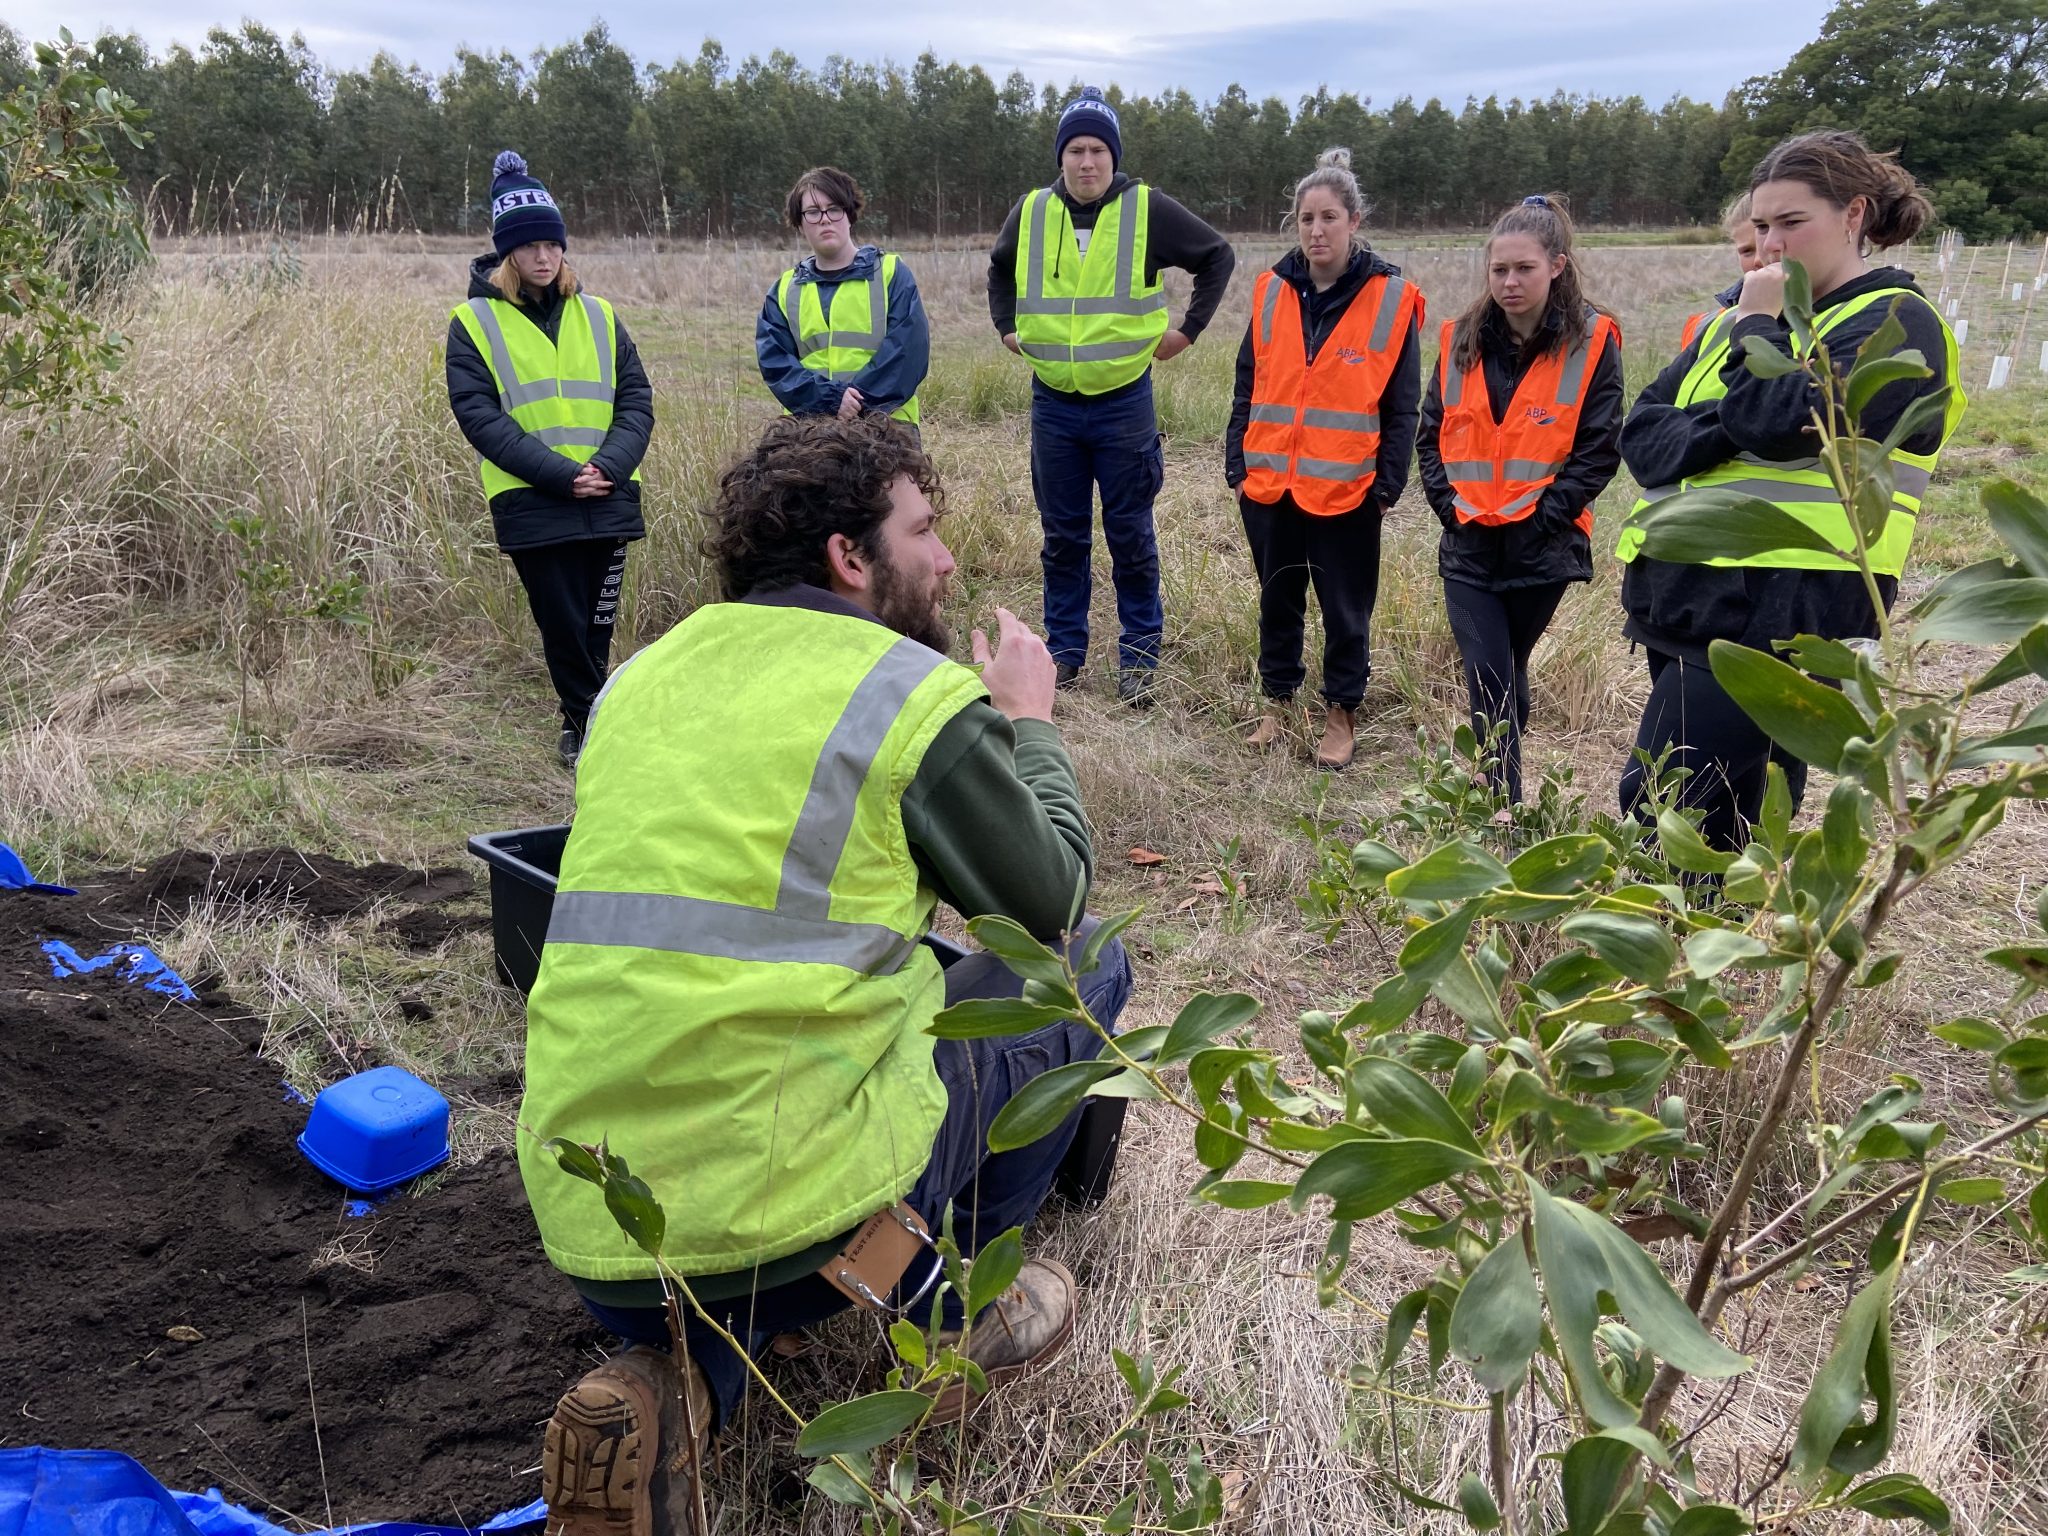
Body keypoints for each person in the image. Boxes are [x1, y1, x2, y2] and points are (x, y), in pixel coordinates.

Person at [517, 415, 1133, 1536]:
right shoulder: (901, 690)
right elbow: (1045, 901)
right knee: (1087, 966)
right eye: (923, 530)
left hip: (597, 1228)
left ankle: (669, 1382)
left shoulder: (637, 681)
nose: (944, 560)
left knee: (761, 1136)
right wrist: (1028, 724)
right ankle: (951, 1306)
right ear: (851, 558)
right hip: (796, 1222)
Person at [1616, 131, 1966, 849]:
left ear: (1854, 215)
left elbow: (1774, 422)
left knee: (1665, 798)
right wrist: (1725, 425)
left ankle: (1675, 942)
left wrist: (1753, 332)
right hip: (1687, 595)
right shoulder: (1732, 324)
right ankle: (1729, 935)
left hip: (1792, 610)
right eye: (1763, 225)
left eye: (1791, 223)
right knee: (1735, 802)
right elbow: (1644, 439)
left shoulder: (1894, 322)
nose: (1770, 244)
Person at [989, 86, 1236, 707]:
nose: (1087, 161)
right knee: (1063, 535)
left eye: (1098, 149)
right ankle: (1065, 652)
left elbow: (1216, 256)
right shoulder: (1032, 212)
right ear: (1061, 157)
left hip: (1125, 402)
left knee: (1130, 533)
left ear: (1113, 156)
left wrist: (1188, 331)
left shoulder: (1146, 209)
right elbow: (998, 267)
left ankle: (1139, 658)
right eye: (1076, 149)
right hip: (1054, 404)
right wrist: (1007, 329)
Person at [447, 151, 654, 771]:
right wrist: (563, 476)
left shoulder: (601, 315)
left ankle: (583, 726)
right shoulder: (473, 322)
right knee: (561, 621)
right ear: (508, 253)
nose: (544, 257)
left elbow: (636, 398)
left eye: (553, 244)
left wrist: (609, 467)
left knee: (596, 621)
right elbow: (479, 416)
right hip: (534, 499)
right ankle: (592, 726)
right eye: (530, 246)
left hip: (609, 492)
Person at [1416, 195, 1623, 804]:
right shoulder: (1459, 338)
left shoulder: (1593, 340)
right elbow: (1430, 434)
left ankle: (1498, 796)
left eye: (1523, 269)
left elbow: (1599, 446)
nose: (1509, 282)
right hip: (1469, 544)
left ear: (1556, 265)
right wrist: (1448, 506)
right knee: (1488, 674)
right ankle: (1500, 805)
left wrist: (1544, 521)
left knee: (1507, 670)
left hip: (1543, 548)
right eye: (1498, 269)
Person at [1225, 147, 1423, 770]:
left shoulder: (1392, 299)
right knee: (1277, 598)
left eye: (1329, 217)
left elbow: (1402, 406)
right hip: (1269, 486)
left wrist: (1386, 486)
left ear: (1354, 220)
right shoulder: (1270, 291)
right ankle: (1276, 705)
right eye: (1306, 218)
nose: (1316, 230)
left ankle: (1341, 713)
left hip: (1349, 491)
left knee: (1345, 609)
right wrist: (1237, 464)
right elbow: (1246, 384)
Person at [756, 166, 930, 432]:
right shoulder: (783, 291)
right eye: (813, 212)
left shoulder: (891, 274)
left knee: (896, 477)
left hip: (887, 423)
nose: (825, 219)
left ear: (849, 214)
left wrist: (857, 405)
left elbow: (908, 353)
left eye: (834, 208)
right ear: (800, 223)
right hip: (809, 427)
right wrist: (829, 401)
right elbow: (776, 365)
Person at [1678, 191, 1761, 350]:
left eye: (1766, 246)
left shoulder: (1818, 327)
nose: (1759, 259)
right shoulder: (1703, 327)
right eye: (1747, 251)